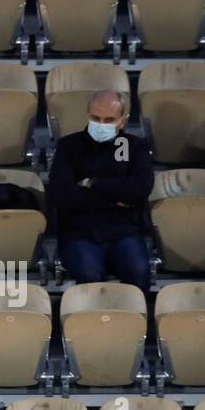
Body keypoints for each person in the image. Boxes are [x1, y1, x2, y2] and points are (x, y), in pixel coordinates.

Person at [46, 89, 155, 292]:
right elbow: (61, 195)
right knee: (90, 275)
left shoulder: (135, 147)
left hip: (124, 232)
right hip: (79, 233)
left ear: (122, 120)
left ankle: (136, 322)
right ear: (88, 114)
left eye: (109, 119)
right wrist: (116, 199)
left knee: (139, 271)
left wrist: (91, 183)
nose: (101, 123)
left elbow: (139, 191)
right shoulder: (68, 146)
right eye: (96, 118)